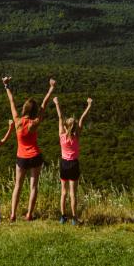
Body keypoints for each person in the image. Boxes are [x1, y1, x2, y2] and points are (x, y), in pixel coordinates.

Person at [3, 75, 55, 221]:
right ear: (34, 111)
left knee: (17, 186)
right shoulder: (34, 123)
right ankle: (29, 215)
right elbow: (44, 105)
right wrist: (51, 88)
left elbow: (12, 102)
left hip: (21, 157)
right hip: (35, 156)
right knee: (33, 186)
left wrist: (6, 86)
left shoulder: (18, 121)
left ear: (24, 109)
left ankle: (13, 214)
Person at [53, 96, 92, 224]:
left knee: (63, 192)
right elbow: (82, 119)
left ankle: (63, 217)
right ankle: (74, 218)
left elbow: (60, 117)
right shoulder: (76, 136)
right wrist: (89, 105)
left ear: (65, 126)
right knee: (73, 194)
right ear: (74, 127)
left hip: (64, 164)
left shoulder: (61, 135)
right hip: (74, 164)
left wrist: (57, 103)